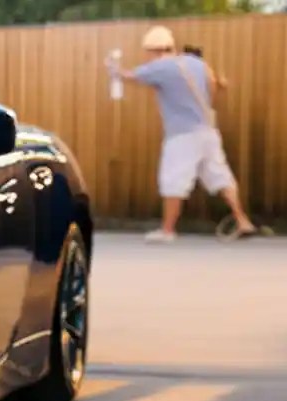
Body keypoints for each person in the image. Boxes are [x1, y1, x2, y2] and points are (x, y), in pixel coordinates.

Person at [110, 26, 257, 243]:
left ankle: (168, 230)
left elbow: (129, 76)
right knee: (220, 176)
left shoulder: (161, 67)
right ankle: (242, 220)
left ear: (153, 50)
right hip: (208, 131)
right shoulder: (197, 64)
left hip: (182, 135)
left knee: (173, 180)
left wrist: (113, 68)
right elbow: (215, 86)